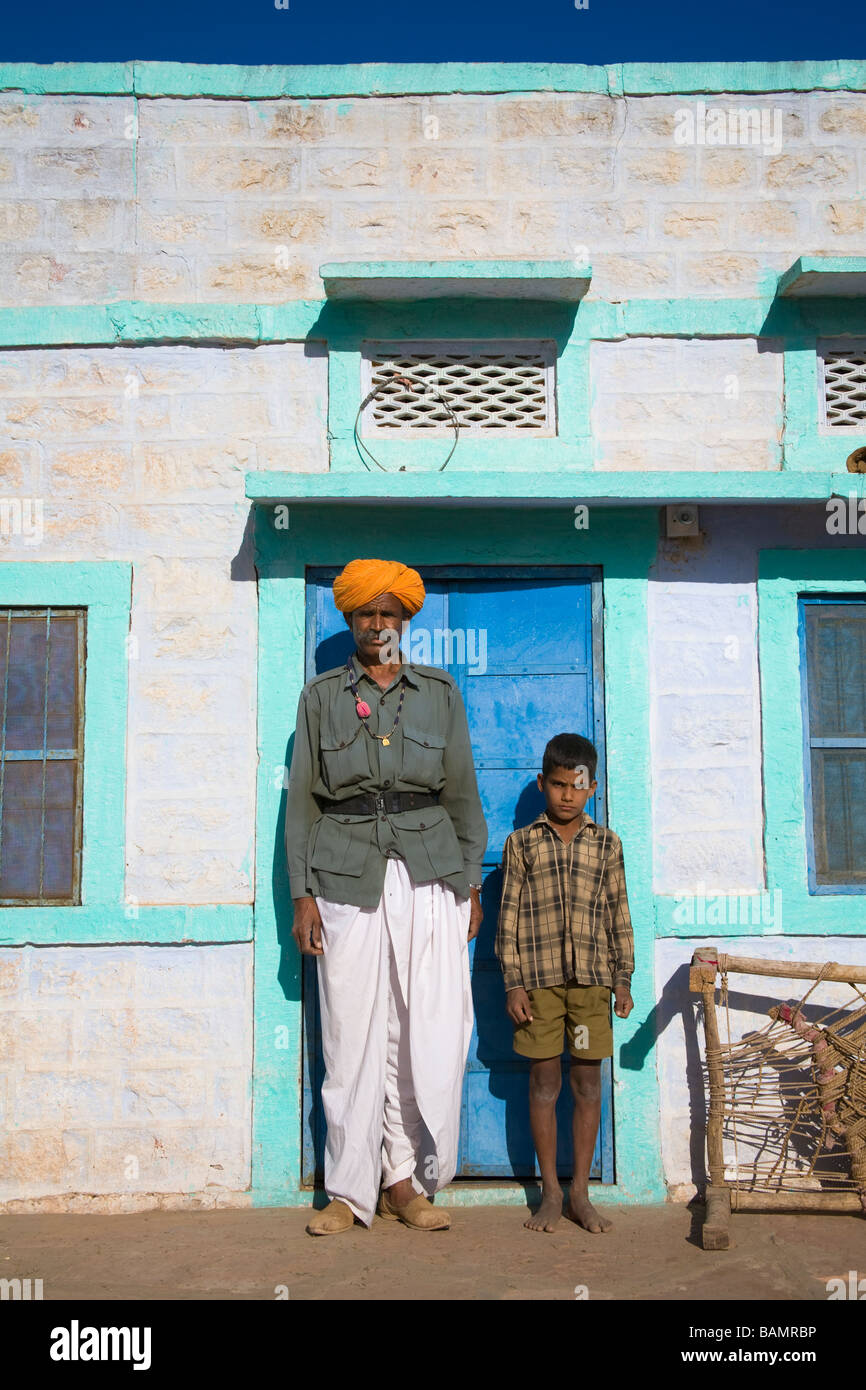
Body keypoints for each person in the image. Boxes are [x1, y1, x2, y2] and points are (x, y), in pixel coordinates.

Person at [285, 558, 488, 1236]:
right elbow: (302, 807)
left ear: (406, 622)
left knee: (419, 1024)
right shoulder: (319, 698)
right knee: (349, 1031)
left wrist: (470, 881)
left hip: (429, 872)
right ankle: (347, 1191)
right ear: (348, 620)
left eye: (390, 615)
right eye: (367, 614)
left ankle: (403, 1181)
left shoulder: (439, 692)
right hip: (343, 873)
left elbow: (461, 789)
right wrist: (302, 896)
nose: (379, 625)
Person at [495, 732, 634, 1234]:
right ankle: (550, 1191)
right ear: (542, 784)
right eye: (557, 785)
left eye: (577, 786)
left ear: (592, 787)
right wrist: (513, 983)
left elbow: (620, 915)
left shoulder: (607, 845)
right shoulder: (522, 844)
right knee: (544, 1081)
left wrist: (622, 979)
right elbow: (506, 919)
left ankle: (580, 1192)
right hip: (541, 987)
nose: (567, 796)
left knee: (586, 1081)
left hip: (592, 988)